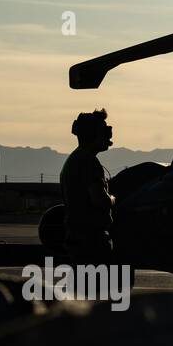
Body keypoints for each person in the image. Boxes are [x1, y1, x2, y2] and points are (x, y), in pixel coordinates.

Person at [60, 109, 115, 262]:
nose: (108, 135)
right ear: (93, 134)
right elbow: (99, 200)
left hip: (80, 240)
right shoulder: (88, 161)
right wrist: (113, 199)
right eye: (103, 130)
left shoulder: (76, 159)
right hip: (91, 242)